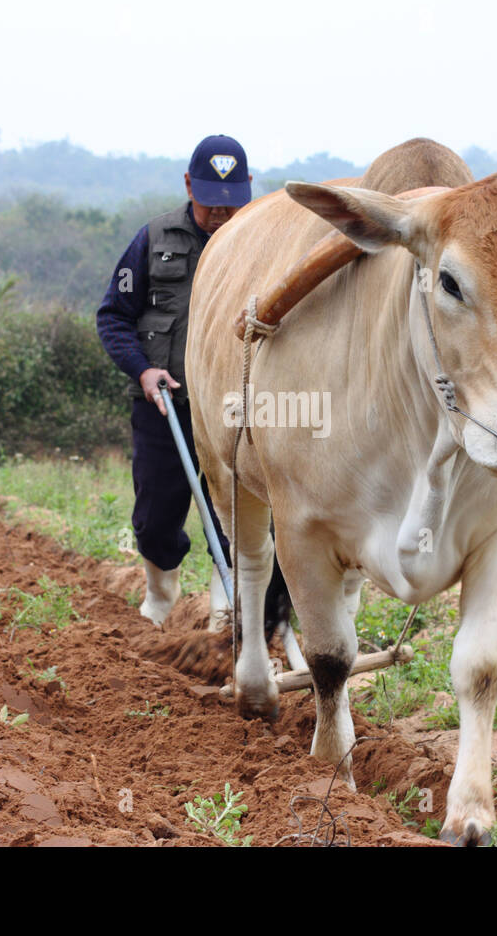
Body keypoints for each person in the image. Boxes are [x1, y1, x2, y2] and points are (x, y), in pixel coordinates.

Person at [96, 135, 289, 635]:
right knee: (156, 517)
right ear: (188, 186)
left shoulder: (264, 245)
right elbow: (113, 316)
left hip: (235, 410)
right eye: (210, 204)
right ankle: (161, 592)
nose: (222, 216)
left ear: (248, 191)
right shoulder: (153, 239)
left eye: (232, 204)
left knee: (238, 513)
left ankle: (226, 606)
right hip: (166, 404)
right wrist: (143, 369)